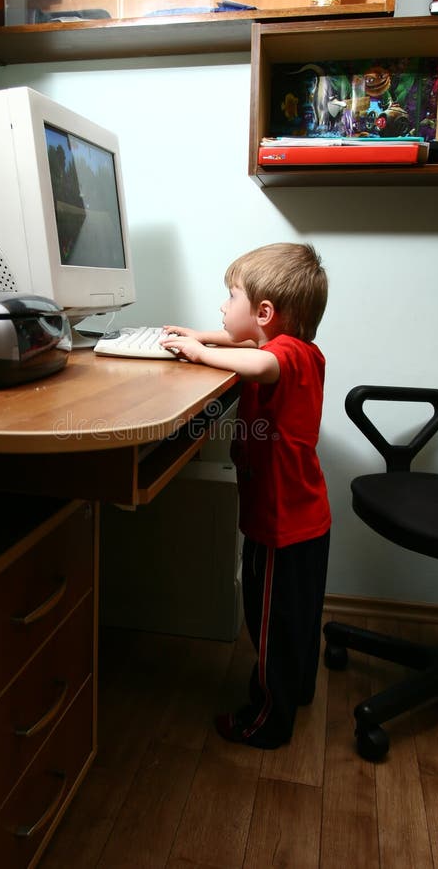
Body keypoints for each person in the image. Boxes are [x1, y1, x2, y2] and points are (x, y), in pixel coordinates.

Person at [160, 242, 331, 749]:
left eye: (228, 296)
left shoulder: (287, 356)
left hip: (280, 526)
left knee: (271, 624)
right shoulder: (292, 348)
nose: (221, 306)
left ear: (263, 312)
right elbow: (249, 347)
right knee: (296, 620)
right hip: (303, 520)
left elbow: (259, 364)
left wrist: (199, 353)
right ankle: (295, 690)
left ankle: (266, 722)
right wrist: (198, 337)